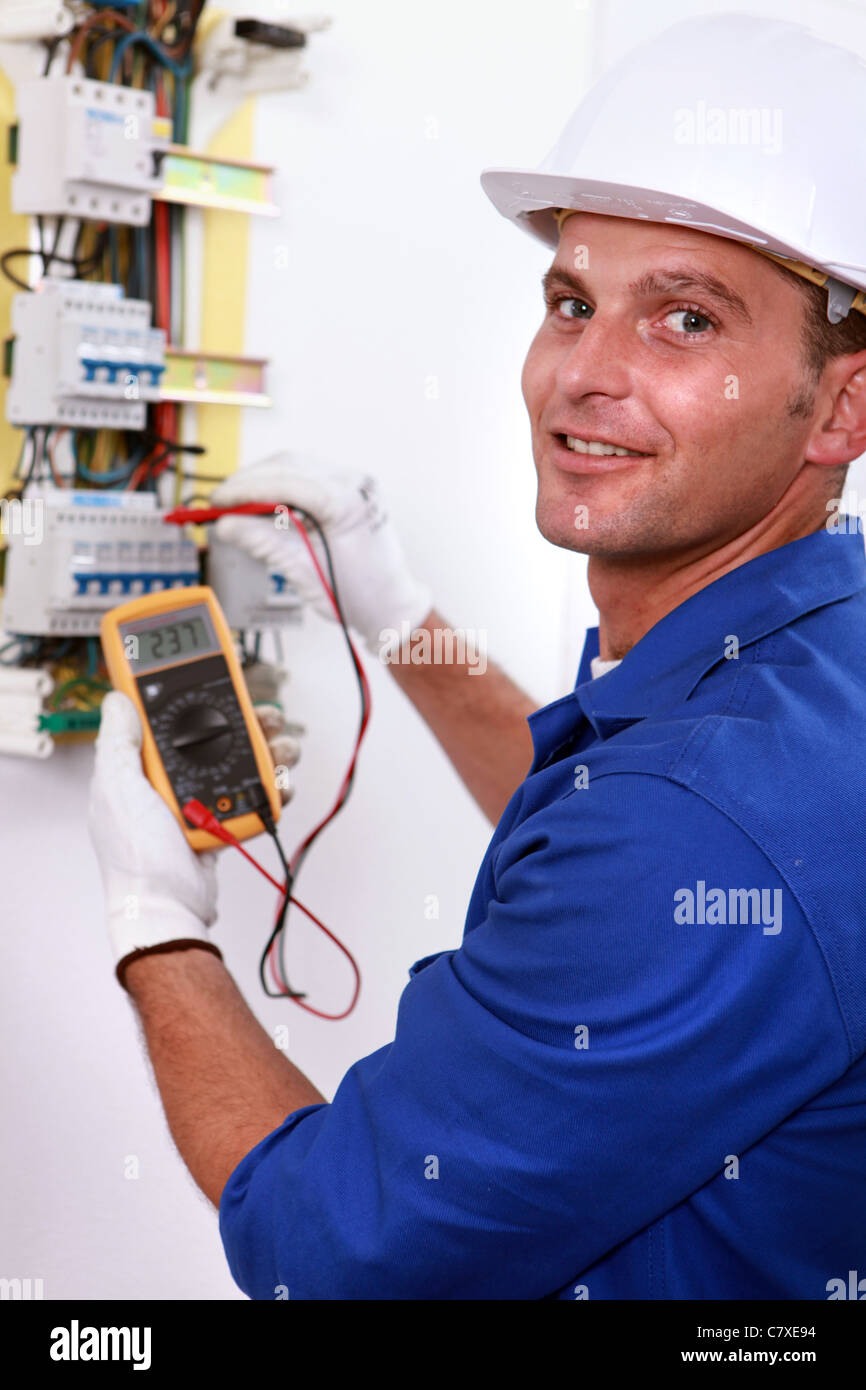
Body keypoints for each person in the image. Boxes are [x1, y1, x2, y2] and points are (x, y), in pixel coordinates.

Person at [88, 13, 866, 1299]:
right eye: (571, 302)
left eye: (683, 320)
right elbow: (620, 821)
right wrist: (397, 618)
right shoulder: (805, 667)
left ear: (838, 404)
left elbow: (326, 1249)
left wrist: (153, 929)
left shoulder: (702, 823)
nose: (584, 373)